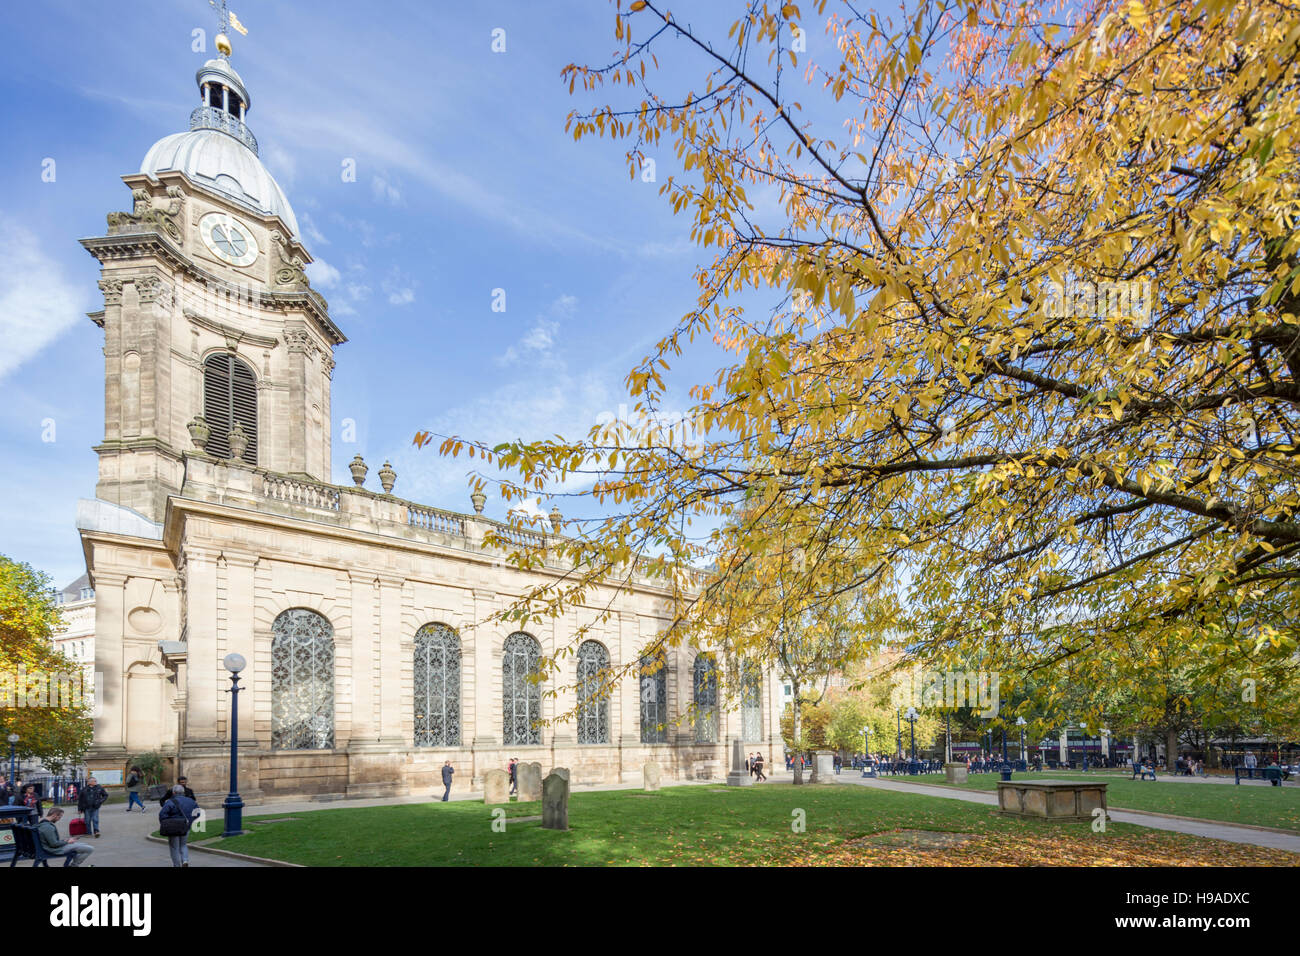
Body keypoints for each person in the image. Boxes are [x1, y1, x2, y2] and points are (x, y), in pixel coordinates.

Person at [158, 784, 200, 867]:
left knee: (174, 847)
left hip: (173, 827)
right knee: (183, 845)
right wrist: (190, 821)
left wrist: (167, 823)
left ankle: (176, 865)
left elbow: (162, 815)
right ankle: (185, 860)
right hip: (186, 826)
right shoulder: (191, 801)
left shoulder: (170, 802)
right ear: (183, 792)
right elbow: (197, 813)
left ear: (173, 792)